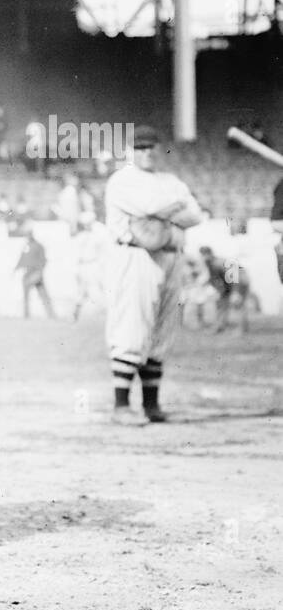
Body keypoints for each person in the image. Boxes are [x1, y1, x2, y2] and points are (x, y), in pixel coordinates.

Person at [103, 126, 206, 425]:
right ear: (130, 151)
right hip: (136, 255)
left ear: (159, 149)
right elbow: (151, 206)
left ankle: (152, 405)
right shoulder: (121, 180)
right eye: (140, 147)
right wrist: (171, 208)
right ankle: (121, 406)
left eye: (151, 147)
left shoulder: (169, 180)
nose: (146, 152)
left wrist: (160, 213)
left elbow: (195, 214)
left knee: (162, 330)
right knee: (131, 325)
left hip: (172, 255)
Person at [14, 230, 55, 318]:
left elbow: (43, 260)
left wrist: (39, 272)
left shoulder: (39, 246)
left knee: (43, 296)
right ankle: (26, 315)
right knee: (26, 297)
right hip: (27, 274)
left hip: (35, 273)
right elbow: (22, 258)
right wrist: (16, 268)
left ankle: (51, 315)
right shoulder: (26, 246)